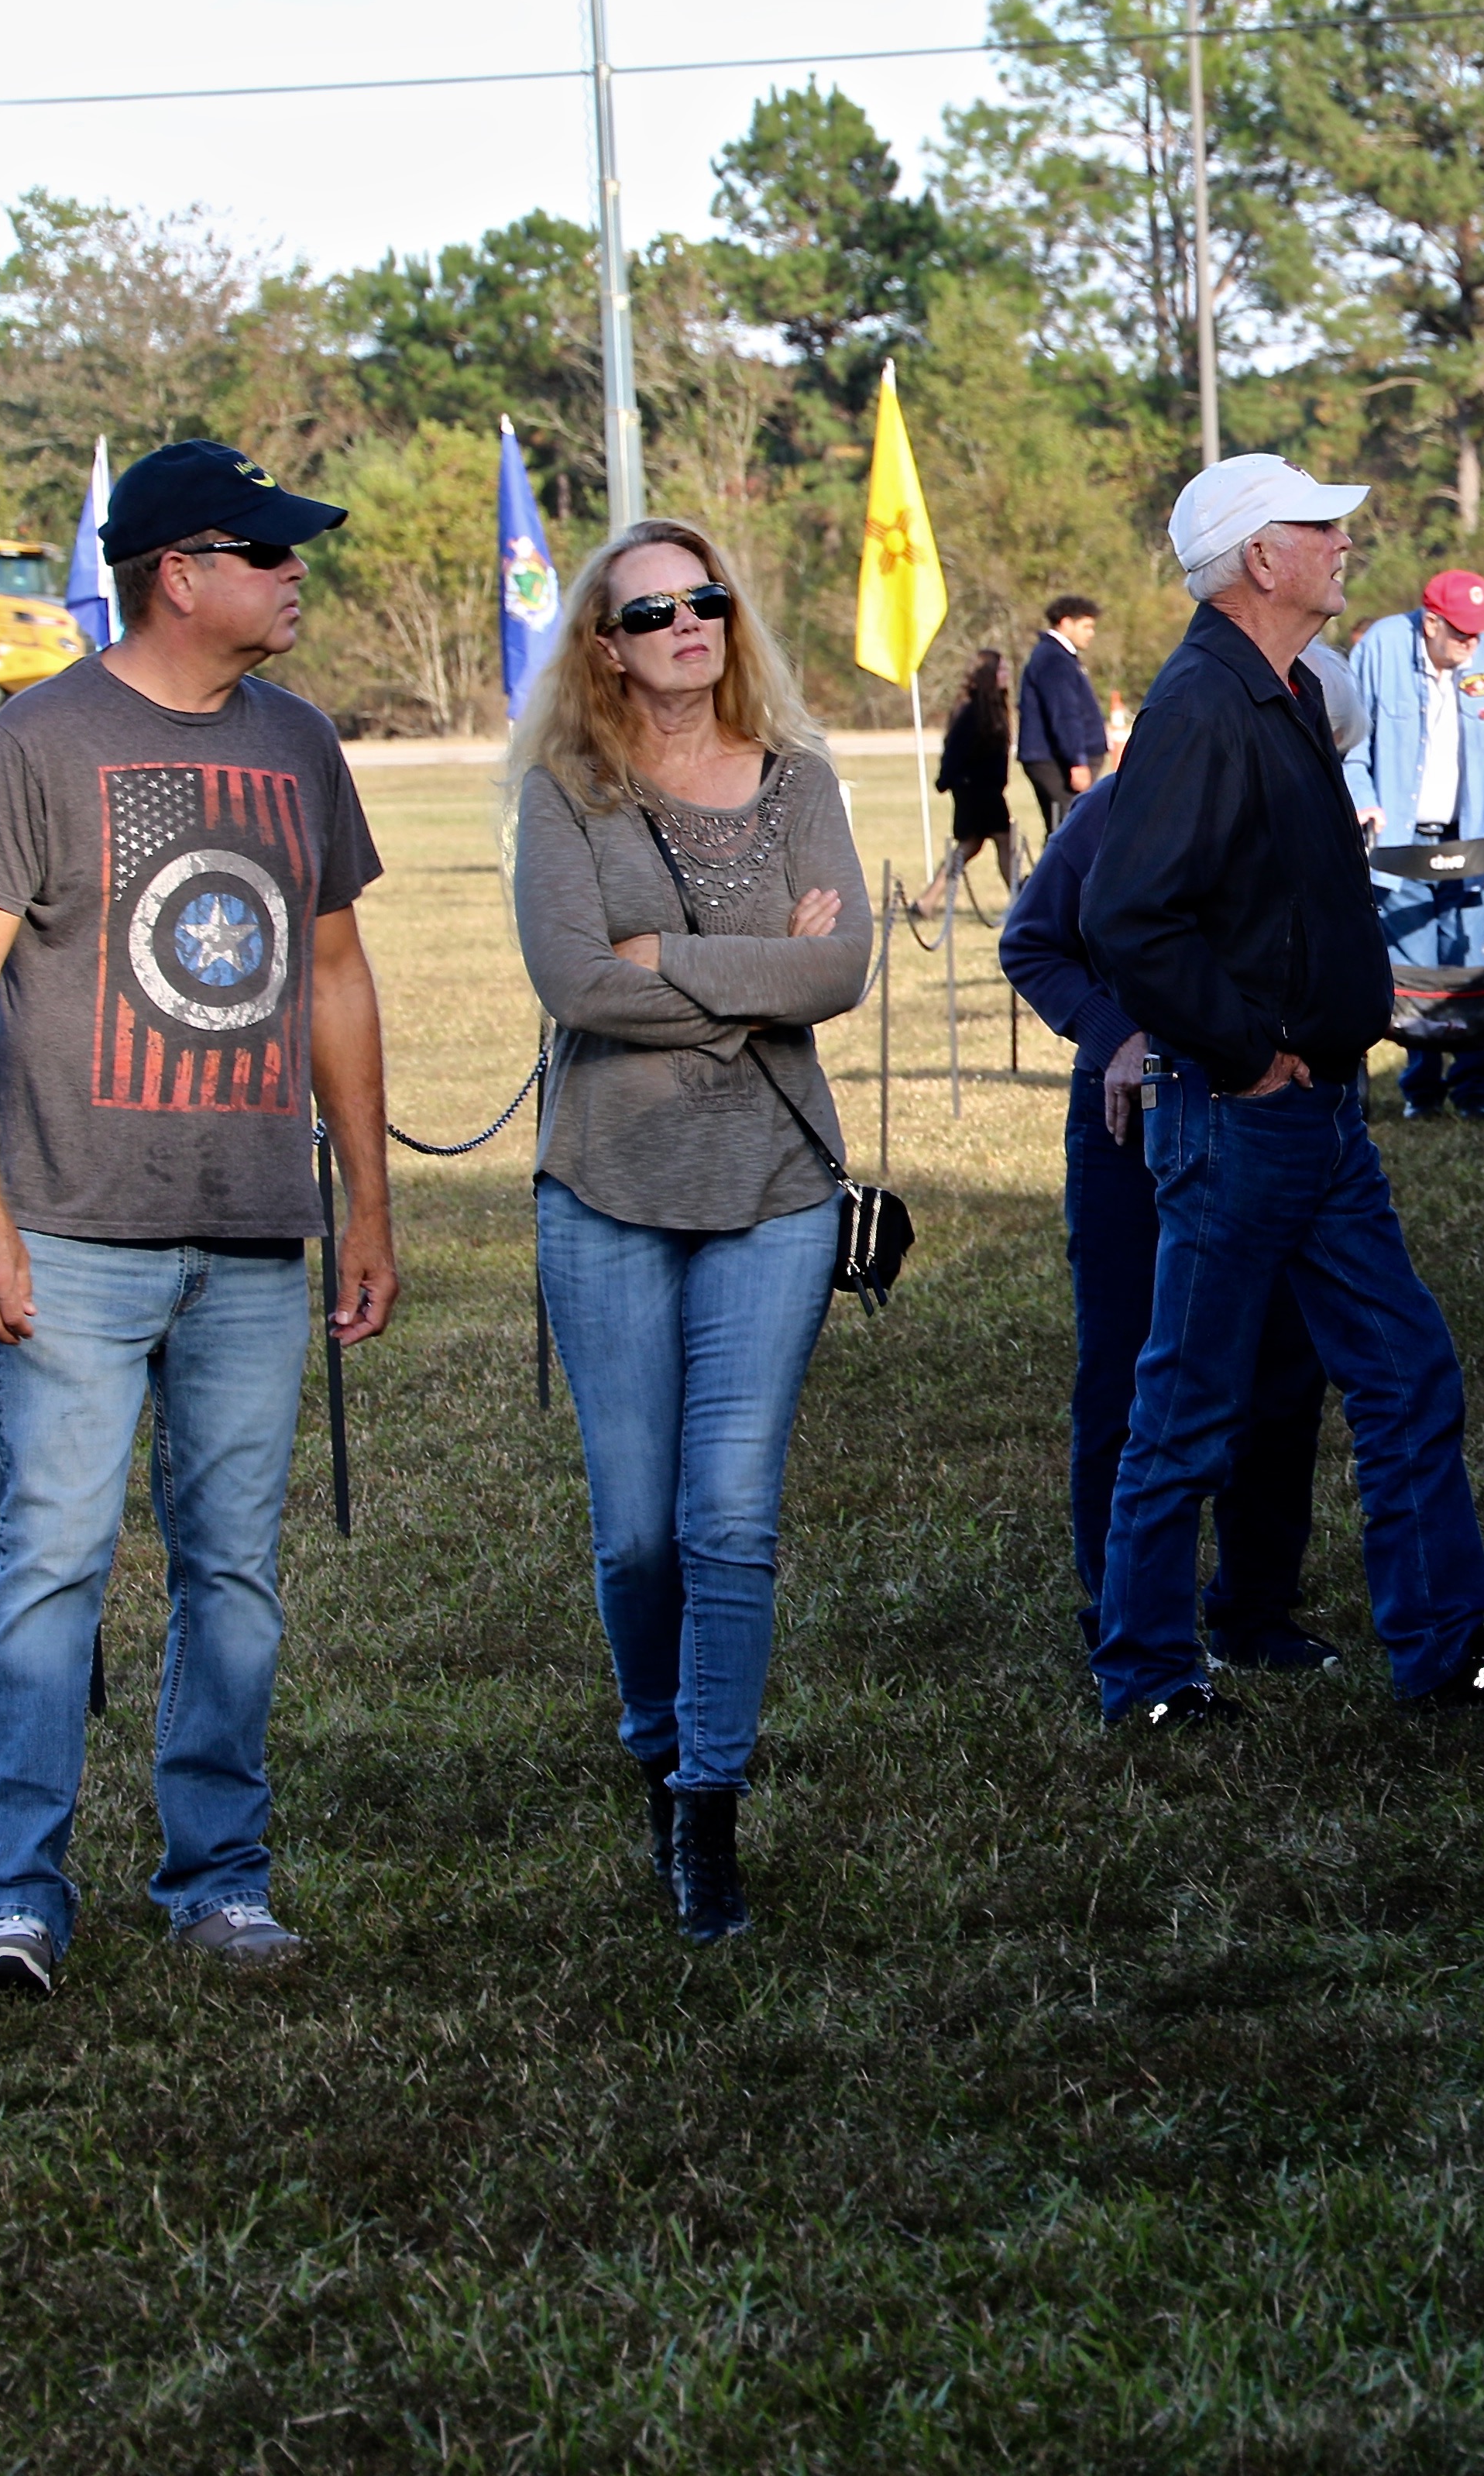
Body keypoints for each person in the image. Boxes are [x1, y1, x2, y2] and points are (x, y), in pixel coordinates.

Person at [0, 439, 396, 1999]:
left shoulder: (302, 743)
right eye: (266, 554)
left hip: (257, 1240)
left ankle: (220, 1882)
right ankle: (14, 1894)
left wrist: (367, 1200)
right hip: (70, 1234)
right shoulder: (37, 745)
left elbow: (329, 973)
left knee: (235, 1572)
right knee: (53, 1562)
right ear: (178, 574)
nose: (295, 571)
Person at [1077, 452, 1484, 1727]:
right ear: (1261, 559)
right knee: (1189, 1405)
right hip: (1246, 1116)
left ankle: (1443, 1649)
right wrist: (1245, 1054)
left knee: (1406, 1370)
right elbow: (1125, 914)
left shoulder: (1279, 691)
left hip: (1316, 1123)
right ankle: (1147, 1680)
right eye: (1319, 527)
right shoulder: (1205, 701)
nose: (1341, 541)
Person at [507, 517, 875, 1945]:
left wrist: (673, 957)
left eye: (705, 599)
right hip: (606, 1184)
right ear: (604, 645)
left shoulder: (800, 782)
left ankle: (705, 1806)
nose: (685, 625)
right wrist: (755, 970)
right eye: (651, 610)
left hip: (775, 1184)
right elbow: (575, 981)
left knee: (731, 1516)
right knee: (639, 1532)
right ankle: (655, 1733)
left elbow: (839, 966)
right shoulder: (567, 793)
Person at [999, 705, 1351, 1677]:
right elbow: (1031, 943)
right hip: (1128, 1126)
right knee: (1125, 1361)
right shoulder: (1111, 812)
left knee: (1282, 1364)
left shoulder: (1306, 819)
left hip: (1269, 1117)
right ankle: (1120, 1608)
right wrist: (1117, 1035)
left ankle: (1255, 1607)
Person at [1341, 568, 1484, 1116]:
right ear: (1430, 623)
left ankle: (1475, 1088)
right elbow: (1349, 744)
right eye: (1461, 632)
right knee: (1416, 968)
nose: (1472, 643)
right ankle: (1422, 1088)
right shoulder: (1380, 648)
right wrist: (1362, 798)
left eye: (1478, 631)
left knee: (1467, 961)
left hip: (1474, 838)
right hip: (1401, 843)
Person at [922, 644, 1022, 917]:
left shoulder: (991, 707)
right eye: (1000, 669)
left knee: (971, 845)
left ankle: (927, 900)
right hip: (976, 789)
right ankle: (1020, 898)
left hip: (985, 787)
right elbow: (955, 748)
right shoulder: (972, 711)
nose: (1005, 674)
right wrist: (946, 779)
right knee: (1003, 839)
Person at [1017, 595, 1108, 832]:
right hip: (1057, 761)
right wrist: (1077, 760)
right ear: (1066, 623)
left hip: (1060, 758)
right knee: (1072, 830)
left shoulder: (1060, 657)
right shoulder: (1053, 659)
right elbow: (1064, 714)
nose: (1091, 633)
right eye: (1086, 626)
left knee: (1064, 828)